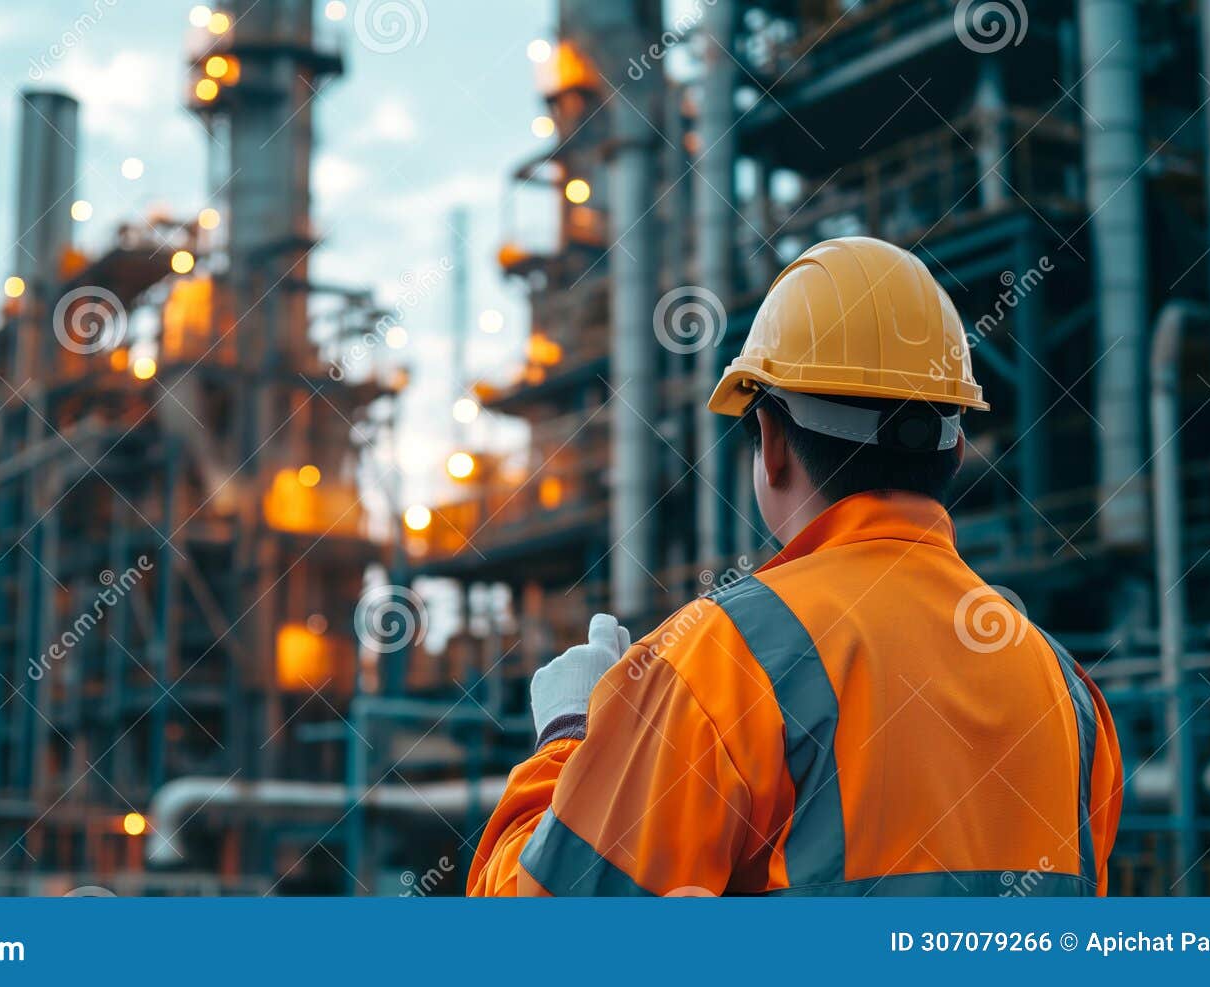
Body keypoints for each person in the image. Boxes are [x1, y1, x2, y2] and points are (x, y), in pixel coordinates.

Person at [467, 236, 1123, 897]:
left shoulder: (719, 660)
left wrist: (567, 738)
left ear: (773, 443)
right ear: (953, 455)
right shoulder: (1070, 695)